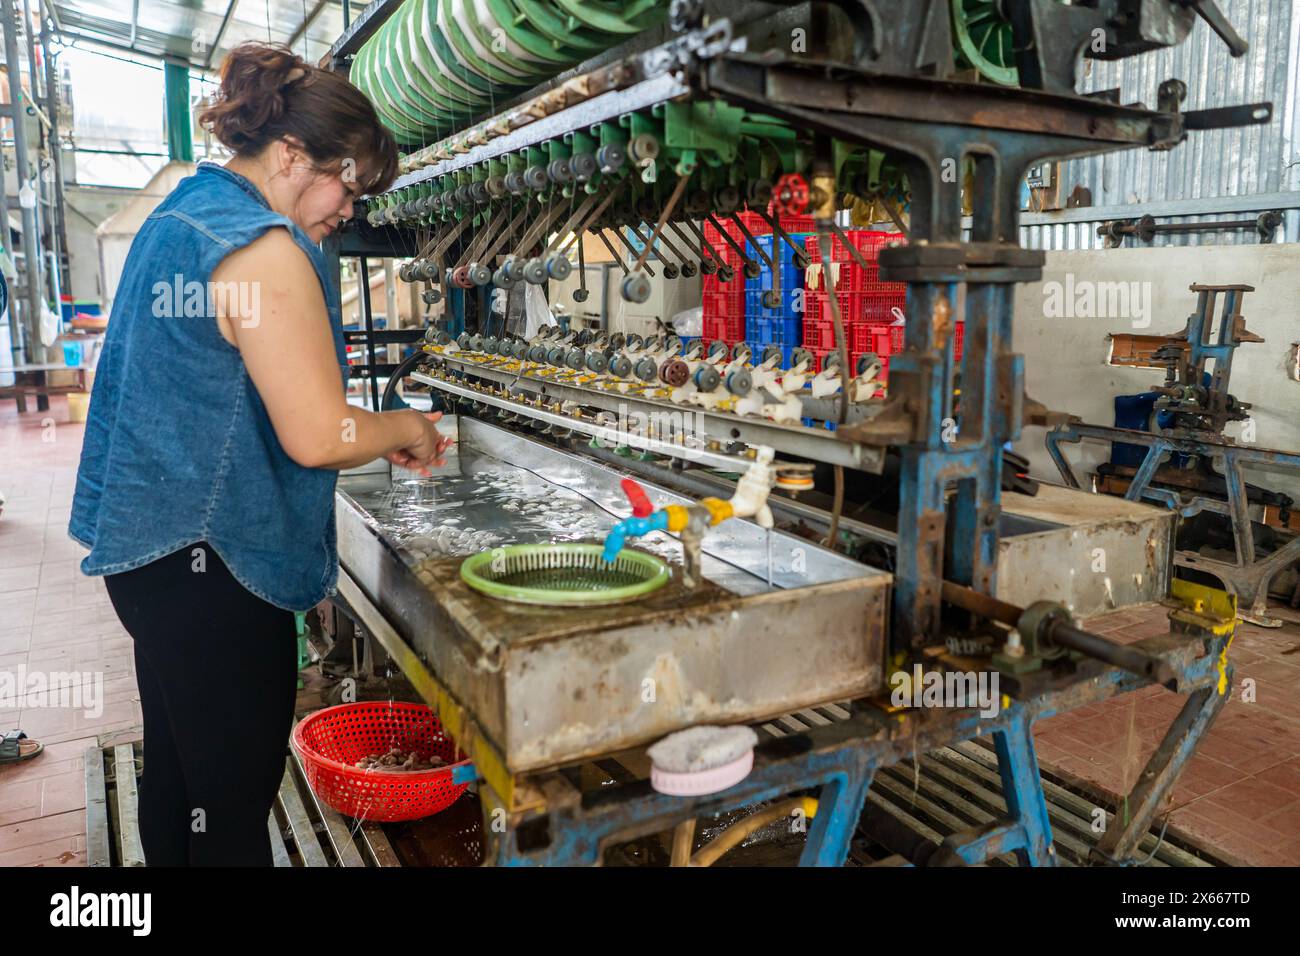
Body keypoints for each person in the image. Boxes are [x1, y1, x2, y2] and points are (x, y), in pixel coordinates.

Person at [67, 43, 450, 866]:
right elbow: (318, 433)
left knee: (181, 773)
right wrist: (408, 431)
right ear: (290, 156)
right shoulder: (264, 248)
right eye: (348, 184)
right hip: (215, 569)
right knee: (233, 804)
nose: (349, 210)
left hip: (151, 554)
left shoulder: (182, 214)